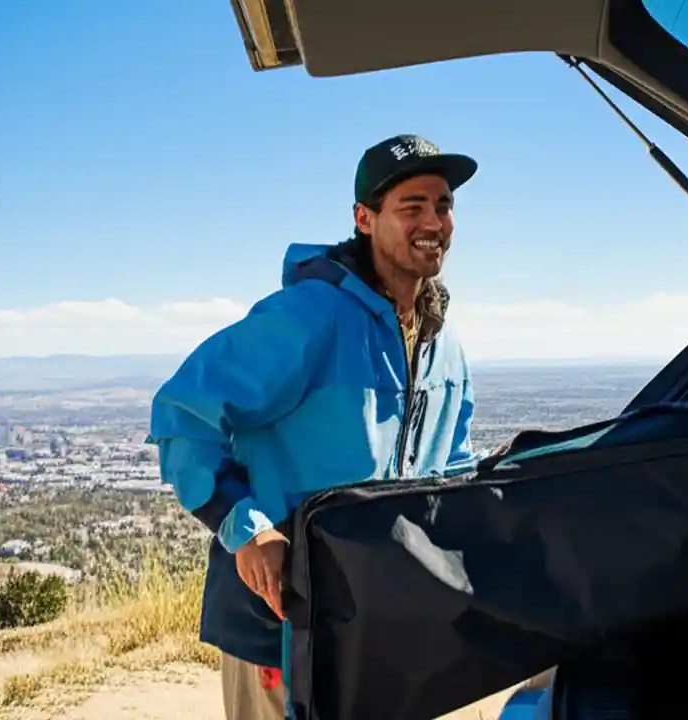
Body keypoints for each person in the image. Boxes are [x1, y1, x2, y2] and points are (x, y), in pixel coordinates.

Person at [147, 134, 485, 720]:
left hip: (383, 622)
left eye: (443, 204)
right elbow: (183, 416)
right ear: (364, 218)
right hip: (278, 622)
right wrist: (247, 531)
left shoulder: (443, 344)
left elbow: (453, 468)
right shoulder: (308, 317)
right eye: (412, 206)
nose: (434, 220)